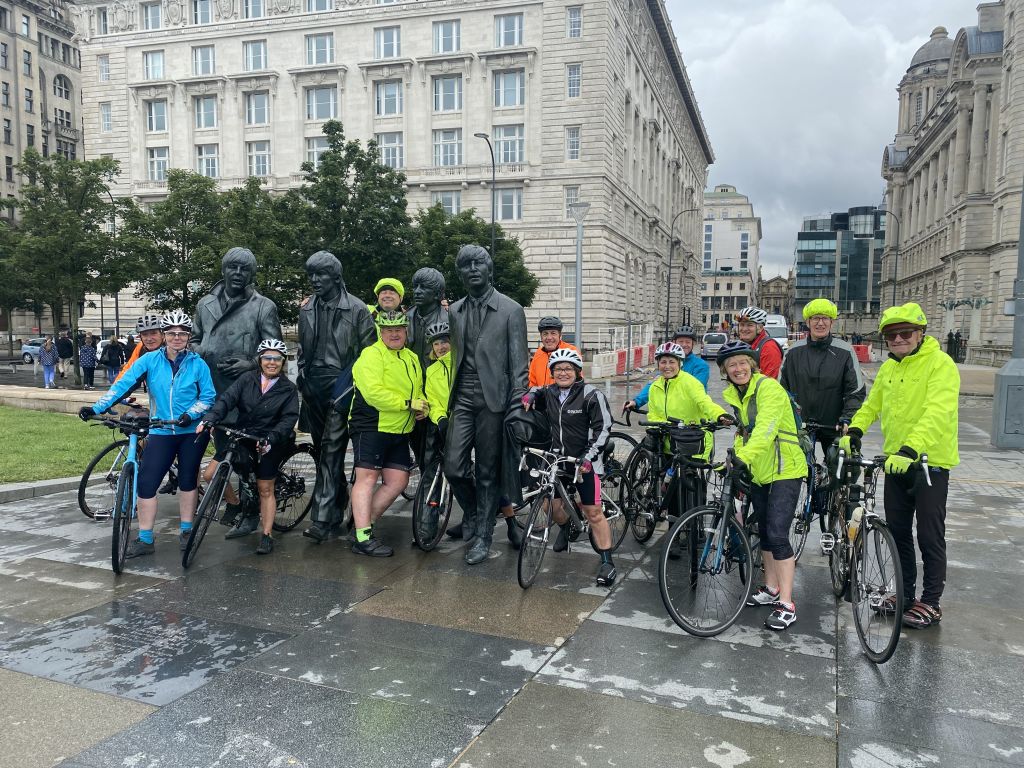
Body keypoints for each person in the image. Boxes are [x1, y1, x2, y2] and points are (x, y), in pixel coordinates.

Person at [842, 303, 958, 630]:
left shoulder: (940, 364)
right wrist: (854, 431)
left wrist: (910, 448)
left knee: (930, 536)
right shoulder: (889, 369)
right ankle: (905, 594)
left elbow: (937, 412)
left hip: (928, 464)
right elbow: (872, 405)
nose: (898, 339)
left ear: (921, 333)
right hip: (897, 464)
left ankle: (931, 602)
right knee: (898, 533)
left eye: (905, 333)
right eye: (891, 335)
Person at [79, 310, 216, 558]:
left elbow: (208, 397)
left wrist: (191, 413)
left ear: (188, 337)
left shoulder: (198, 364)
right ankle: (144, 538)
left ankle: (186, 530)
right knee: (146, 483)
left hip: (189, 431)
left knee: (187, 480)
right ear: (164, 336)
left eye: (182, 334)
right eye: (172, 333)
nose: (177, 338)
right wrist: (96, 407)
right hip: (162, 430)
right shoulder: (149, 360)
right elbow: (122, 385)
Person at [445, 244, 530, 565]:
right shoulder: (454, 311)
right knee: (453, 466)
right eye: (465, 265)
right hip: (463, 397)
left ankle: (482, 535)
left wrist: (518, 407)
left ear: (489, 268)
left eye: (478, 263)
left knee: (487, 472)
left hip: (494, 400)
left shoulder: (511, 310)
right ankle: (476, 513)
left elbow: (520, 367)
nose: (472, 269)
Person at [192, 247, 283, 538]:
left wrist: (250, 363)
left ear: (251, 274)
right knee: (223, 450)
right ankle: (235, 503)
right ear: (223, 270)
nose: (238, 274)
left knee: (244, 458)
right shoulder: (205, 303)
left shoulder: (263, 306)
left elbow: (275, 351)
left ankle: (249, 511)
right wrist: (202, 352)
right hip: (211, 389)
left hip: (246, 393)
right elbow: (194, 339)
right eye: (233, 267)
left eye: (244, 269)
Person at [718, 341, 805, 631]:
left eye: (743, 363)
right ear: (725, 371)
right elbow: (745, 433)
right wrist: (732, 459)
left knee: (778, 534)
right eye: (732, 365)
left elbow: (767, 428)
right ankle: (771, 588)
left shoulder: (768, 388)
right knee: (765, 531)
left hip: (785, 469)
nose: (738, 368)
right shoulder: (737, 395)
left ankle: (787, 604)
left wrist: (743, 457)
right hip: (760, 471)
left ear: (752, 365)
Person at [297, 251, 377, 542]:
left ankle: (323, 518)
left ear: (336, 276)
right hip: (313, 389)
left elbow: (368, 356)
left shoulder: (356, 309)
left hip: (342, 389)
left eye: (321, 274)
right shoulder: (306, 309)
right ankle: (337, 501)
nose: (315, 280)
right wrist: (303, 377)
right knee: (323, 453)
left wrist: (348, 389)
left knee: (331, 451)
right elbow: (303, 350)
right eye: (312, 275)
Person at [523, 348, 618, 586]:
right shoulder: (551, 392)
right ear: (552, 373)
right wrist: (530, 396)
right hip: (559, 460)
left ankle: (607, 562)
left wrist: (588, 457)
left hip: (586, 462)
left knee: (593, 512)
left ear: (578, 372)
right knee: (548, 504)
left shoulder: (590, 394)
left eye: (568, 369)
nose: (563, 373)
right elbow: (537, 389)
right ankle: (568, 527)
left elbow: (603, 428)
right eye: (558, 369)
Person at [197, 339, 299, 555]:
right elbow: (227, 399)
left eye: (277, 359)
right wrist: (211, 418)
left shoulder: (288, 389)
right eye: (267, 358)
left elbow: (289, 418)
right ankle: (235, 504)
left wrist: (271, 437)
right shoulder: (247, 379)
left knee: (265, 488)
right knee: (210, 474)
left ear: (282, 362)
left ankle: (267, 534)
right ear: (260, 360)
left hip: (270, 439)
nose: (272, 362)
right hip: (244, 434)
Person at [348, 310, 426, 556]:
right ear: (380, 332)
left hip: (399, 429)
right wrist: (407, 403)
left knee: (398, 481)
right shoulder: (370, 355)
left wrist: (422, 404)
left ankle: (363, 526)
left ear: (406, 330)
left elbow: (419, 388)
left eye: (399, 329)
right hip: (371, 425)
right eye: (389, 330)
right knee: (367, 479)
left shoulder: (412, 357)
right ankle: (363, 537)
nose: (394, 333)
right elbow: (372, 393)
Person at [779, 298, 865, 453]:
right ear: (807, 321)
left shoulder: (845, 351)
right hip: (800, 424)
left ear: (832, 322)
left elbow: (855, 390)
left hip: (834, 424)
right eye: (815, 318)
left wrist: (848, 418)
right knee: (796, 471)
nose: (820, 323)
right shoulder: (793, 352)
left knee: (841, 467)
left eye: (825, 318)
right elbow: (781, 388)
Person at [627, 326, 710, 412]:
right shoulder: (668, 364)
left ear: (693, 343)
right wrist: (636, 402)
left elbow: (694, 389)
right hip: (670, 413)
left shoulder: (701, 366)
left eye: (688, 342)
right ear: (674, 342)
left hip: (691, 414)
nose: (684, 345)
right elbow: (654, 386)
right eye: (680, 342)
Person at [405, 268, 447, 370]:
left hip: (436, 382)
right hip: (409, 381)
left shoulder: (450, 321)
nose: (417, 291)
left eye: (423, 287)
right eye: (415, 286)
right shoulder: (403, 320)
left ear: (437, 294)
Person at [528, 316, 579, 388]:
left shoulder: (571, 351)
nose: (549, 337)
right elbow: (532, 381)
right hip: (541, 397)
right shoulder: (538, 353)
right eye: (545, 334)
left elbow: (578, 380)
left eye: (553, 333)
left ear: (560, 335)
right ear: (541, 336)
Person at [736, 306, 783, 379]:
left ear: (760, 328)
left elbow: (769, 382)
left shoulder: (769, 347)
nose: (744, 329)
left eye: (750, 325)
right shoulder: (745, 344)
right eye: (742, 325)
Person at [116, 314, 164, 382]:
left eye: (153, 333)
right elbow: (127, 371)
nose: (149, 339)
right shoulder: (141, 347)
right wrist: (114, 391)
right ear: (140, 337)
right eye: (144, 334)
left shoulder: (171, 346)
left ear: (162, 334)